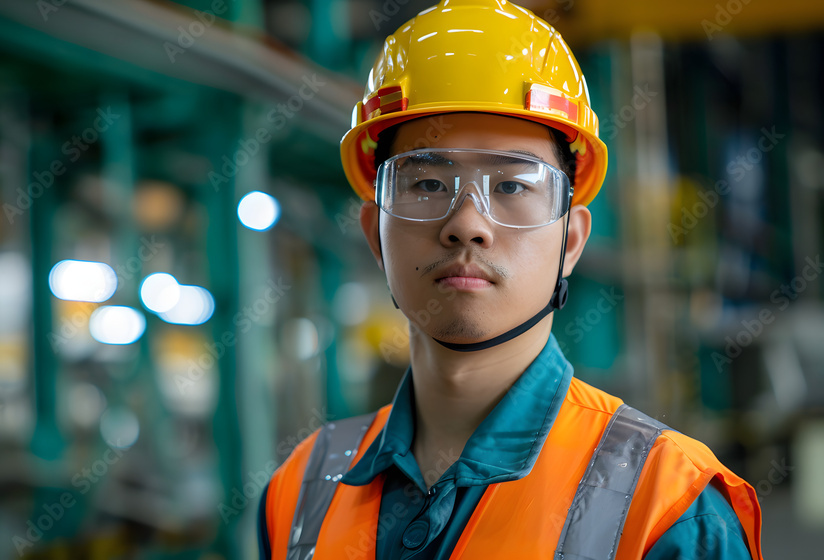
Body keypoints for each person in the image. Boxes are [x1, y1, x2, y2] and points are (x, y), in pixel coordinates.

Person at [256, 0, 763, 558]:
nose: (467, 224)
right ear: (375, 233)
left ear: (571, 241)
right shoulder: (299, 490)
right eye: (426, 184)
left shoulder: (668, 506)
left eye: (513, 186)